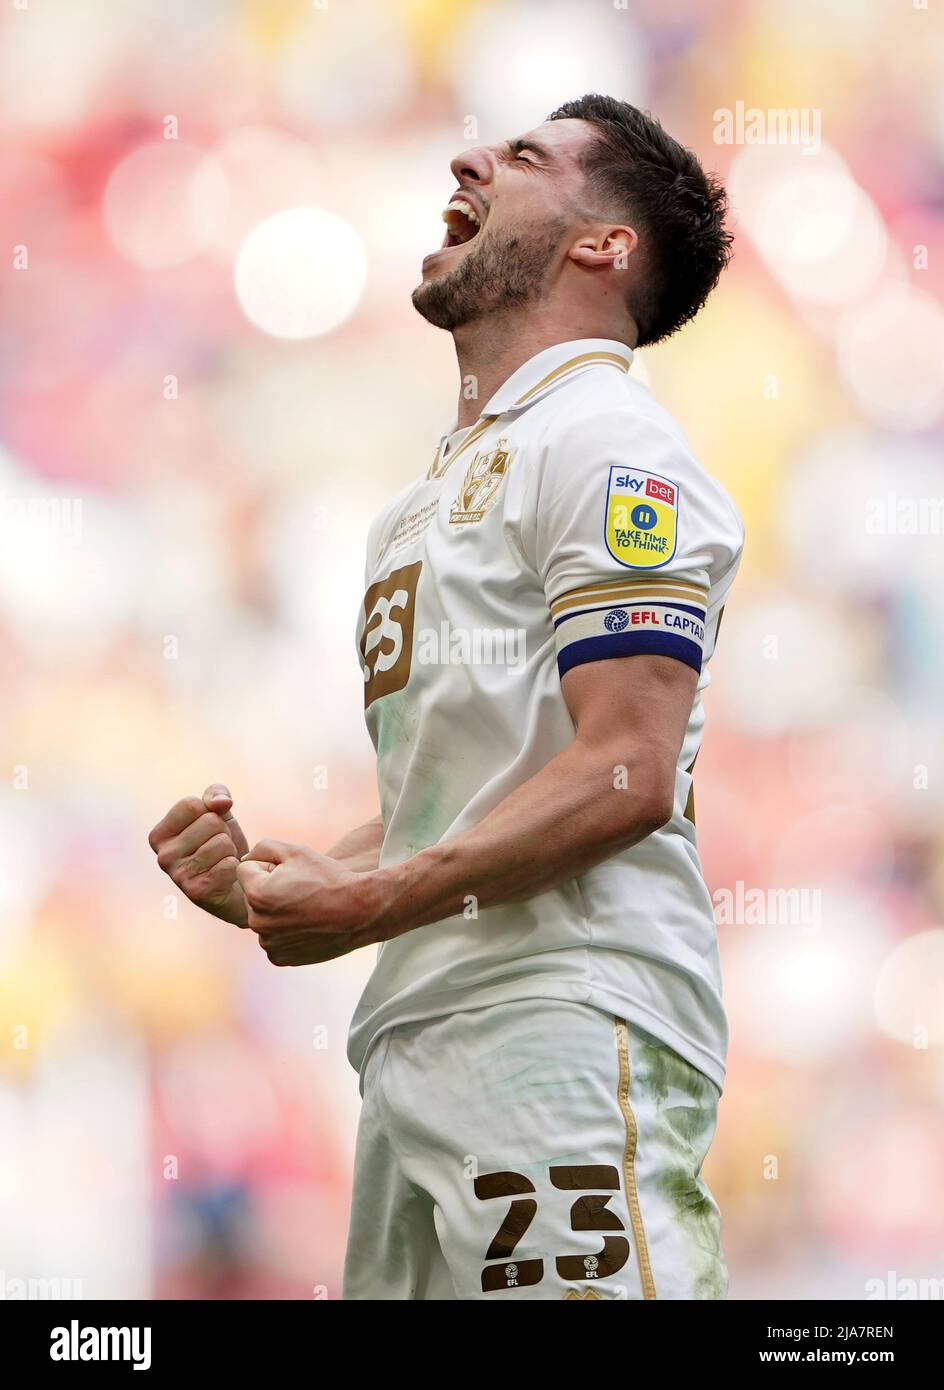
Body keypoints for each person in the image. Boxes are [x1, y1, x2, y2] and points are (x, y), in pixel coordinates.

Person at [148, 93, 743, 1301]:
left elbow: (625, 769)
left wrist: (370, 898)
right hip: (421, 1030)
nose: (470, 154)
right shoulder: (421, 502)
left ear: (603, 246)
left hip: (563, 1012)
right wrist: (284, 874)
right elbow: (462, 796)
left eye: (524, 156)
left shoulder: (610, 442)